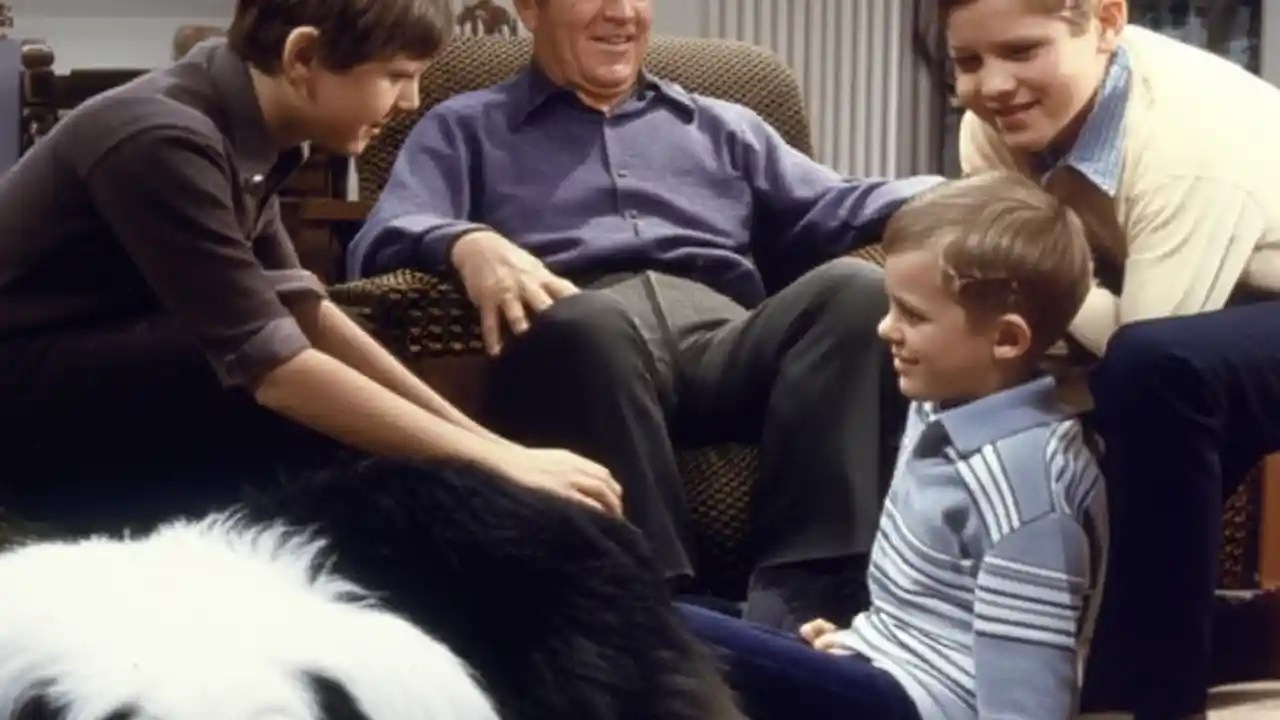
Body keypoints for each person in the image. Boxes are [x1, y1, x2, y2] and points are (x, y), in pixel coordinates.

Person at [346, 0, 943, 629]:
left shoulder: (722, 125)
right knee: (590, 323)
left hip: (725, 336)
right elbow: (379, 239)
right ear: (529, 9)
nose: (622, 14)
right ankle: (661, 613)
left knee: (854, 291)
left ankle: (807, 598)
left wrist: (948, 189)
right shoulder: (465, 125)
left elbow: (837, 205)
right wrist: (465, 241)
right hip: (579, 345)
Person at [0, 0, 622, 534]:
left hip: (91, 366)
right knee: (249, 380)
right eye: (396, 76)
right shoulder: (159, 136)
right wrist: (491, 466)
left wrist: (492, 447)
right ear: (303, 58)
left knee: (343, 375)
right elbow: (271, 365)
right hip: (21, 402)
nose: (410, 101)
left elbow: (304, 309)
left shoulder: (246, 117)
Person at [945, 0, 1280, 715]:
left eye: (1024, 51)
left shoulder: (1191, 144)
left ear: (1104, 21)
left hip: (1213, 308)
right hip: (1195, 300)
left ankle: (1153, 692)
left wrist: (1049, 293)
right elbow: (1022, 295)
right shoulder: (991, 129)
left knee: (1154, 378)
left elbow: (1140, 346)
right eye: (969, 62)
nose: (994, 86)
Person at [679, 171, 1108, 720]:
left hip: (924, 705)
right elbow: (926, 611)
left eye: (913, 315)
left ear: (1006, 338)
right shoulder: (940, 400)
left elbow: (1029, 699)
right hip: (881, 662)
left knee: (664, 628)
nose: (886, 329)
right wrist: (860, 640)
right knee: (645, 612)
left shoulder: (1028, 487)